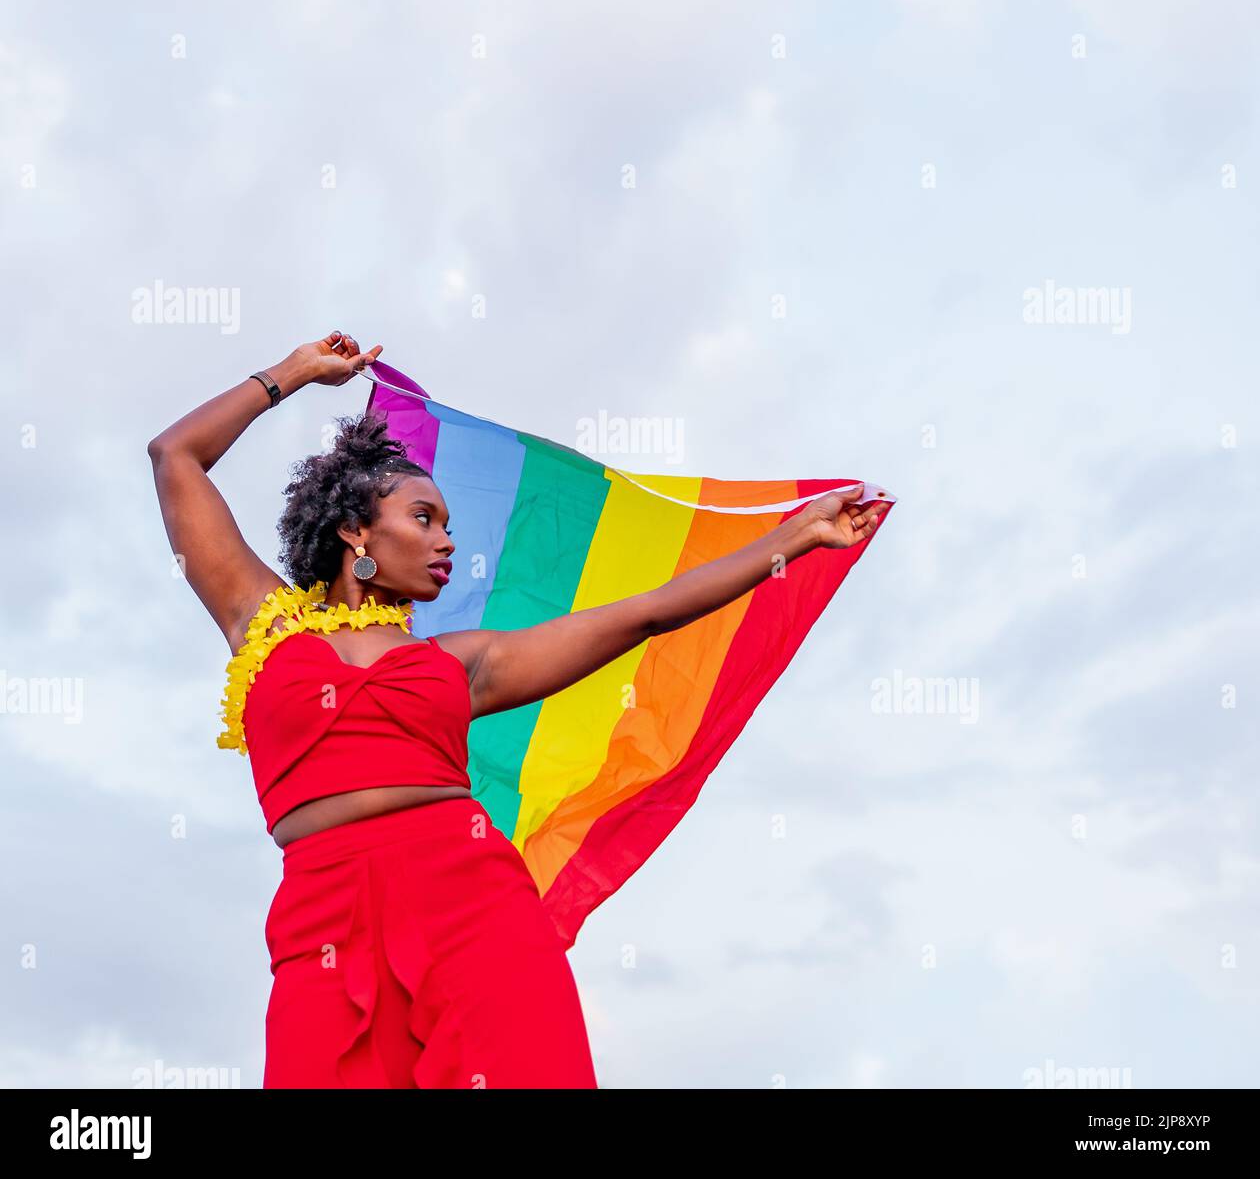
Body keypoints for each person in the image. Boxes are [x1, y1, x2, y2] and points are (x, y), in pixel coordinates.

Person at [146, 330, 889, 1089]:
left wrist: (790, 539)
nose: (447, 542)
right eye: (424, 518)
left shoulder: (463, 663)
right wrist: (296, 373)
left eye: (448, 525)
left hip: (471, 907)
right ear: (354, 530)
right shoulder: (259, 619)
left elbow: (648, 613)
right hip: (320, 919)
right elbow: (175, 456)